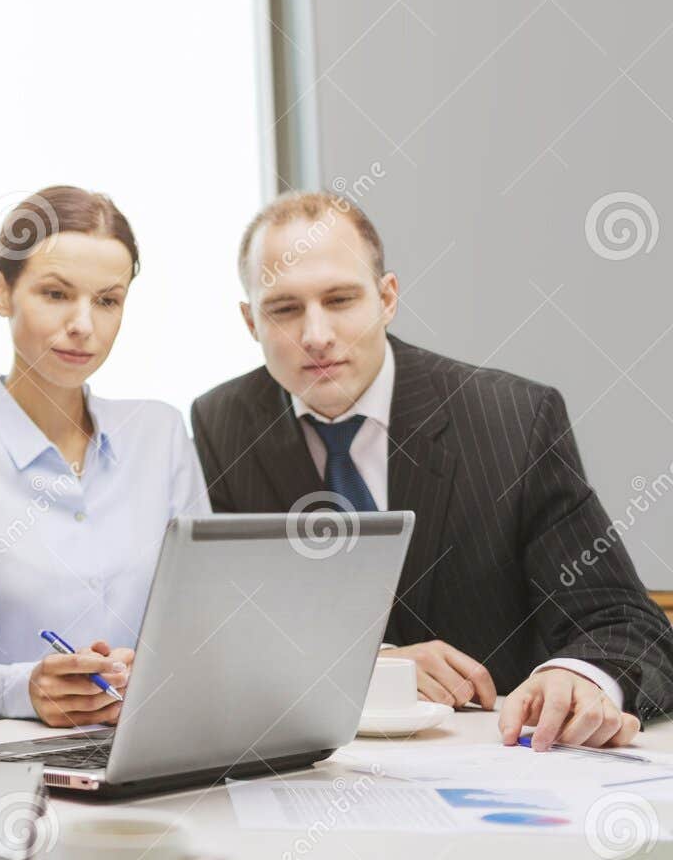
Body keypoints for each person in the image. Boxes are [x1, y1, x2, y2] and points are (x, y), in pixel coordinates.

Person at [190, 190, 673, 752]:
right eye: (284, 308)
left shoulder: (512, 418)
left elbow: (625, 623)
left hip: (497, 767)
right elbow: (240, 631)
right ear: (250, 321)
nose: (315, 334)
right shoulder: (221, 423)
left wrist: (580, 678)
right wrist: (380, 664)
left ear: (387, 297)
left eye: (341, 299)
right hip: (311, 770)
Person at [0, 187, 209, 724]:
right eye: (56, 294)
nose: (84, 324)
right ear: (1, 293)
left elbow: (206, 625)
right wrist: (21, 689)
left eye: (107, 300)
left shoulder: (162, 435)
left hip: (158, 746)